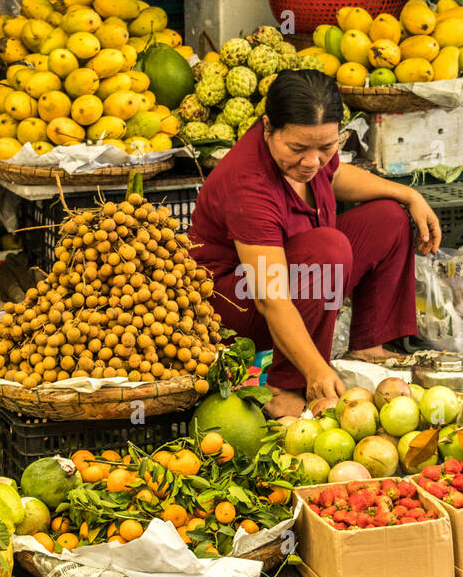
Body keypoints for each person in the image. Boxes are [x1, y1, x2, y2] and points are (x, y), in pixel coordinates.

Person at [188, 69, 441, 418]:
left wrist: (408, 194)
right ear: (267, 128)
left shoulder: (310, 153)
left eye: (326, 147)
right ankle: (284, 388)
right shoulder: (248, 186)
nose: (312, 162)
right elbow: (270, 298)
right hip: (233, 308)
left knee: (389, 218)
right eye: (298, 149)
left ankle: (369, 346)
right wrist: (315, 371)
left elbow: (335, 174)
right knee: (327, 250)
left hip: (299, 281)